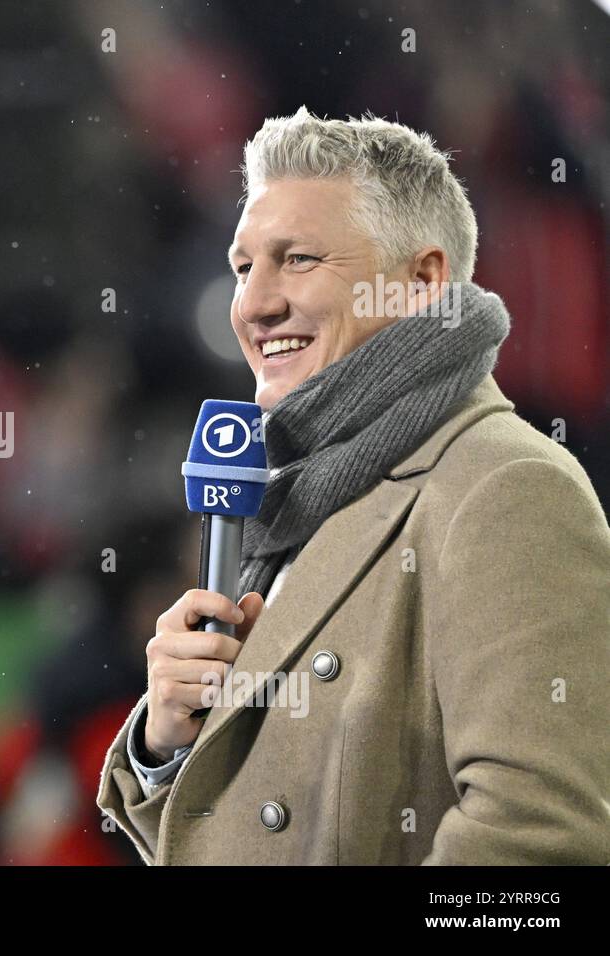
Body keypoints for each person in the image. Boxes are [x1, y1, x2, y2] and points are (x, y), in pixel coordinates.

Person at [97, 107, 610, 865]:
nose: (253, 304)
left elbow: (541, 845)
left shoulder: (508, 487)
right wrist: (165, 741)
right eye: (244, 267)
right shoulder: (289, 502)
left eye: (298, 259)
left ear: (423, 282)